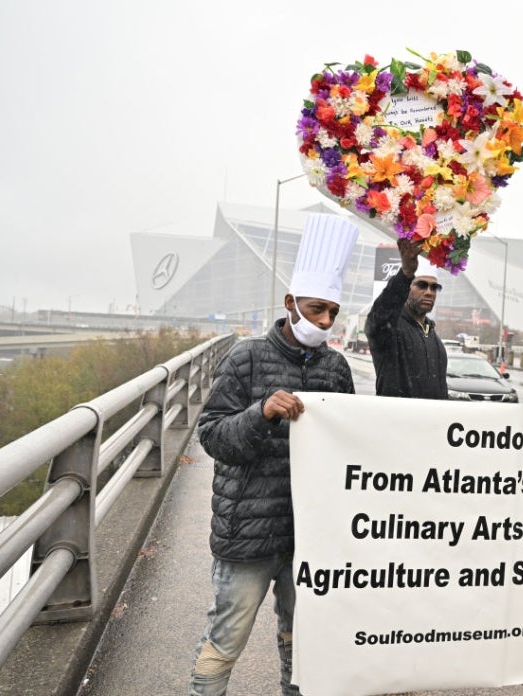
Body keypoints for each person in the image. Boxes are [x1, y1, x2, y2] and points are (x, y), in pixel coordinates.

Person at [188, 214, 359, 696]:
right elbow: (212, 435)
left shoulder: (336, 366)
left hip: (309, 537)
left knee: (301, 646)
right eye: (317, 309)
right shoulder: (244, 357)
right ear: (291, 304)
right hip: (248, 534)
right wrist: (260, 413)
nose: (325, 321)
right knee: (225, 640)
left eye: (333, 313)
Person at [365, 237, 448, 399]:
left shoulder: (433, 336)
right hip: (397, 422)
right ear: (407, 286)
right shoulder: (390, 328)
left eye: (434, 287)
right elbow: (379, 316)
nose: (429, 292)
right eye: (422, 285)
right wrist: (406, 273)